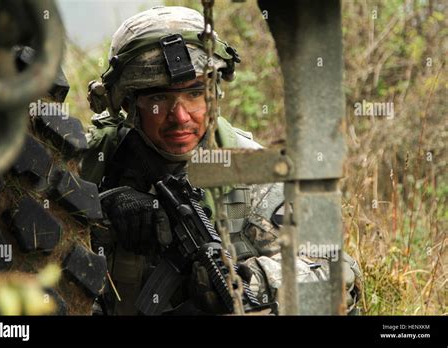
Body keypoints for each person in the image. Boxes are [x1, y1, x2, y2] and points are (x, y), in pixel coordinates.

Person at [80, 6, 361, 315]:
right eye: (159, 98)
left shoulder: (253, 171)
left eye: (194, 94)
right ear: (129, 103)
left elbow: (336, 272)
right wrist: (101, 207)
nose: (180, 117)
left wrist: (249, 282)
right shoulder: (89, 162)